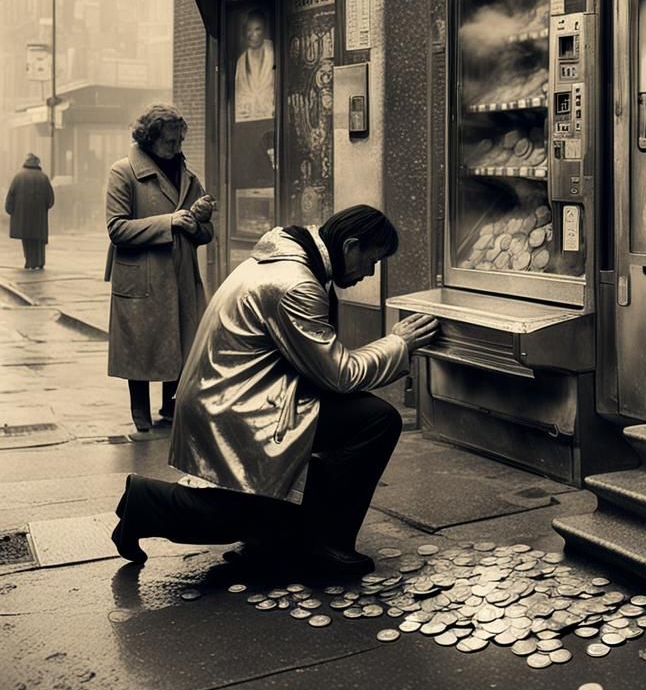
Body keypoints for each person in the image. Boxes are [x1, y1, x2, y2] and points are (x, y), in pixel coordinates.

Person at [110, 205, 438, 576]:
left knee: (266, 512)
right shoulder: (297, 284)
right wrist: (399, 344)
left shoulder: (290, 258)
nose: (370, 273)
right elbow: (341, 375)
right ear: (351, 247)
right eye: (372, 261)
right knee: (375, 421)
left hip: (234, 397)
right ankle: (324, 543)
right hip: (235, 410)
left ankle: (299, 533)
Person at [105, 104, 215, 433]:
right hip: (141, 276)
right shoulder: (123, 172)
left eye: (179, 141)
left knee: (180, 342)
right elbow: (117, 228)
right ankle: (139, 409)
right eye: (169, 142)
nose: (175, 149)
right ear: (150, 139)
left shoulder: (188, 176)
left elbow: (206, 234)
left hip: (179, 273)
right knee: (138, 344)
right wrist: (169, 221)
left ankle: (171, 406)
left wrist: (198, 221)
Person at [4, 154, 54, 270]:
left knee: (27, 240)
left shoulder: (18, 177)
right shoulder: (44, 178)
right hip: (39, 217)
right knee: (39, 240)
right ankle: (40, 261)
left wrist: (10, 210)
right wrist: (44, 208)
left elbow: (11, 195)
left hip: (23, 217)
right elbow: (50, 199)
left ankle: (29, 261)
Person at [234, 9, 275, 122]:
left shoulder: (274, 55)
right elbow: (238, 98)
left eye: (258, 29)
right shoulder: (241, 62)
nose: (253, 35)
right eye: (249, 30)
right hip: (247, 123)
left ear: (264, 31)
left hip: (271, 121)